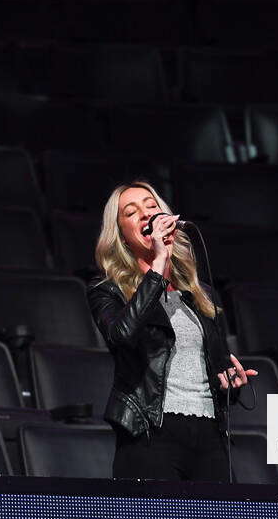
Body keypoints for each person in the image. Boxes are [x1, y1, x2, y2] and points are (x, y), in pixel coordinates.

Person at [87, 181, 257, 482]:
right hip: (151, 433)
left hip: (209, 434)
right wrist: (158, 265)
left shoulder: (199, 293)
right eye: (131, 212)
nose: (145, 214)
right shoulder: (108, 290)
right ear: (122, 236)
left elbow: (212, 367)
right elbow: (121, 335)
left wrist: (229, 383)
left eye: (151, 206)